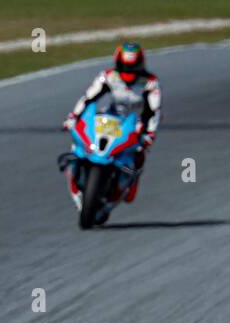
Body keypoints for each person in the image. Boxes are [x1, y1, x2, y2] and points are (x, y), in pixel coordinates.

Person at [62, 41, 162, 205]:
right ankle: (75, 172)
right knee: (80, 138)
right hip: (108, 117)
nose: (128, 72)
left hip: (133, 123)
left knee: (140, 150)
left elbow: (154, 111)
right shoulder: (108, 76)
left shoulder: (150, 82)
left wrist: (150, 133)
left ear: (140, 64)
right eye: (124, 66)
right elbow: (88, 97)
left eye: (132, 66)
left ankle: (132, 179)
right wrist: (73, 117)